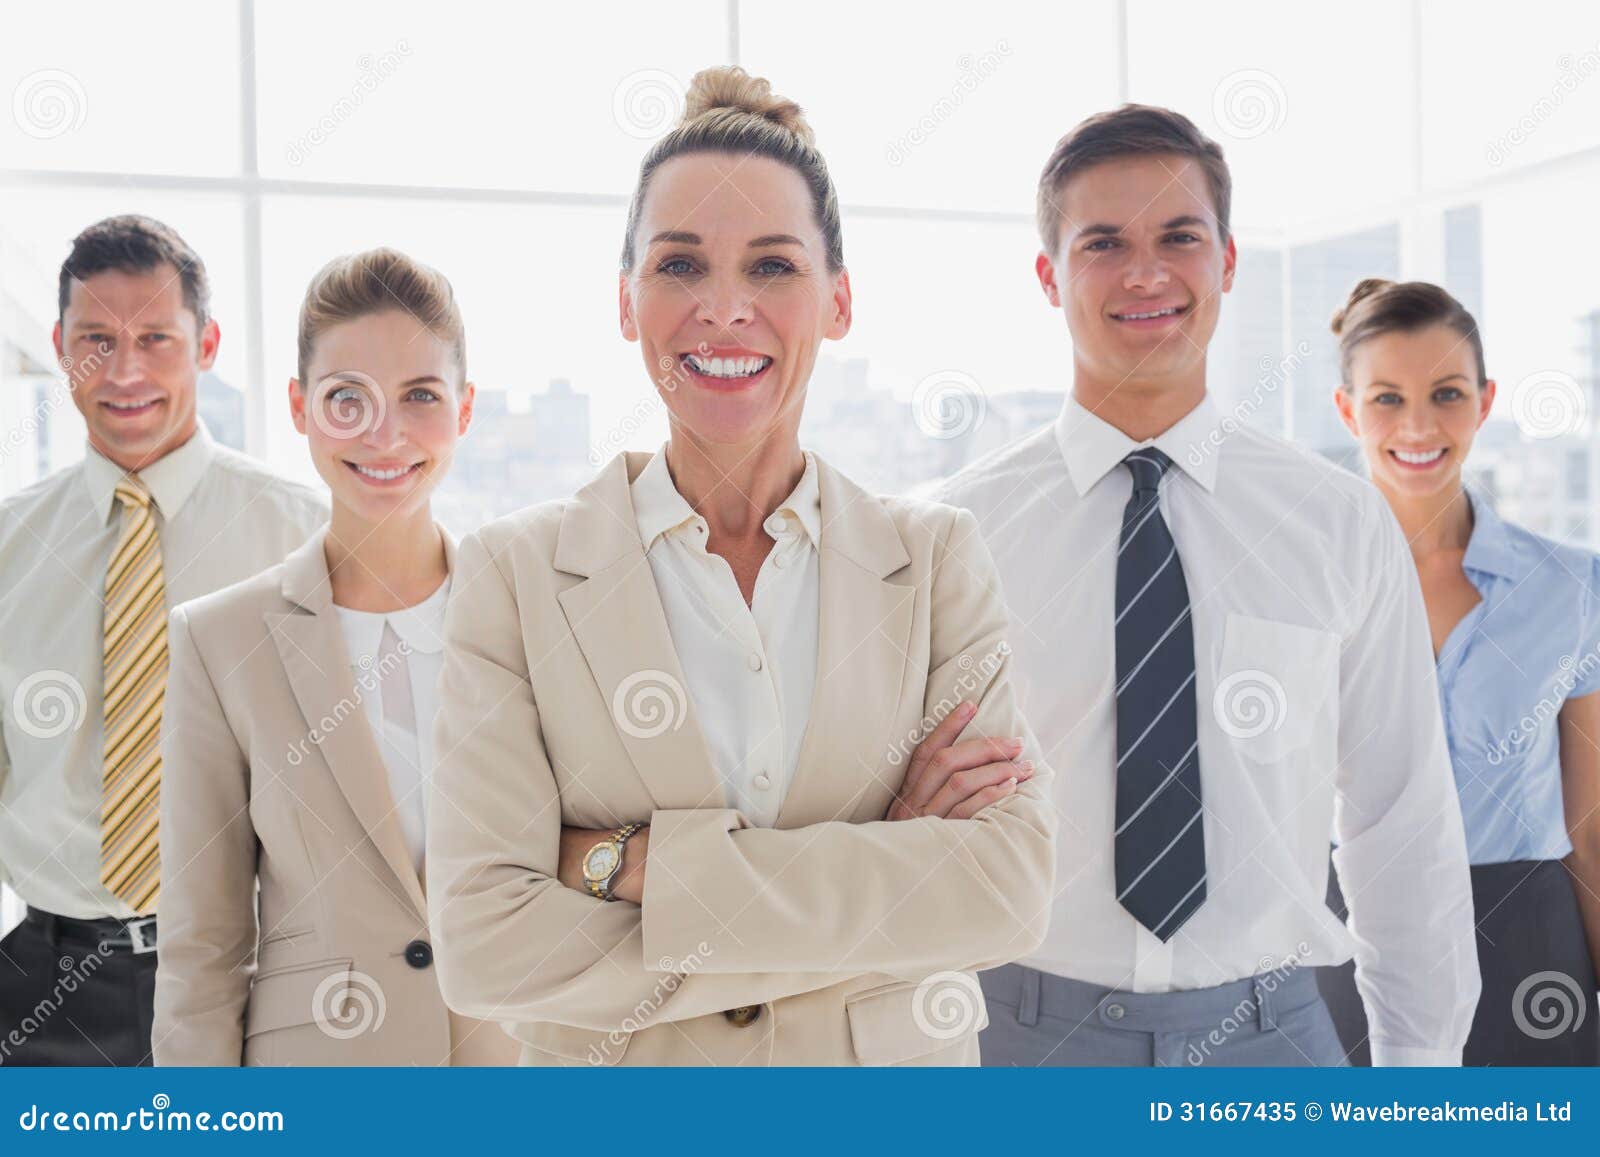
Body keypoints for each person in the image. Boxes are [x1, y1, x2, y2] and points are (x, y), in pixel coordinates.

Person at [425, 66, 1056, 1067]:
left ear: (838, 300)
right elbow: (485, 948)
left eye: (771, 266)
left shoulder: (936, 563)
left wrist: (621, 867)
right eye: (679, 265)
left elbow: (1006, 888)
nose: (723, 309)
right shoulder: (512, 575)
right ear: (626, 302)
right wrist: (889, 885)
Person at [929, 105, 1480, 1066]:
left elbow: (1401, 824)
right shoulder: (956, 534)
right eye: (1104, 242)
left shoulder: (1339, 521)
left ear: (1226, 262)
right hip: (1014, 1039)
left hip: (1276, 1043)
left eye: (1179, 237)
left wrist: (1419, 1079)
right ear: (1049, 275)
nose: (1146, 272)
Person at [153, 248, 516, 1065]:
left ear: (463, 409)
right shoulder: (221, 641)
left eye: (419, 395)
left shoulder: (528, 620)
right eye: (346, 397)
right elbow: (201, 948)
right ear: (300, 408)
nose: (382, 432)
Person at [0, 216, 328, 1066]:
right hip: (45, 989)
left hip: (258, 977)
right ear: (62, 346)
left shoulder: (307, 538)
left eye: (155, 338)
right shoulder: (7, 549)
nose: (125, 371)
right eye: (95, 341)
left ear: (207, 343)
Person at [1318, 277, 1600, 1066]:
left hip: (1529, 942)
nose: (1417, 425)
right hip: (1347, 938)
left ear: (1485, 401)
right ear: (1347, 410)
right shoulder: (1298, 587)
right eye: (1385, 398)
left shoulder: (1573, 587)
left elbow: (1591, 827)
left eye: (1447, 392)